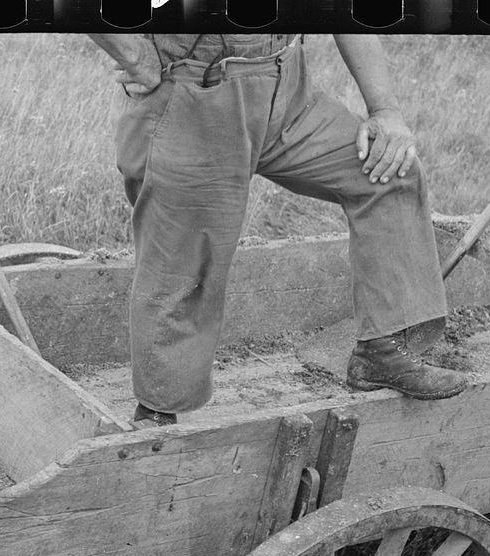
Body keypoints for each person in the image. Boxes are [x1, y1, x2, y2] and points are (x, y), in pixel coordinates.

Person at [88, 34, 468, 429]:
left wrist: (385, 109)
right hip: (195, 90)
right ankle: (157, 420)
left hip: (286, 87)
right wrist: (134, 56)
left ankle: (382, 351)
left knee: (388, 173)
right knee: (186, 261)